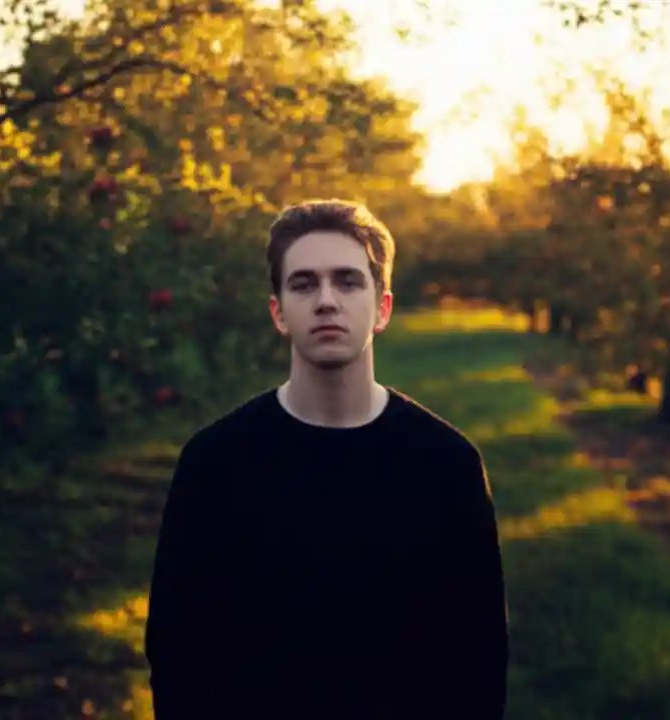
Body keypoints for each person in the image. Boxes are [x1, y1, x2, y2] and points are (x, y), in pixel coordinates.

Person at [144, 199, 509, 719]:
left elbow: (477, 661)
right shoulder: (216, 463)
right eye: (303, 284)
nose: (326, 301)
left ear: (382, 308)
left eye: (347, 281)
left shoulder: (445, 465)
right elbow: (179, 653)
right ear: (278, 313)